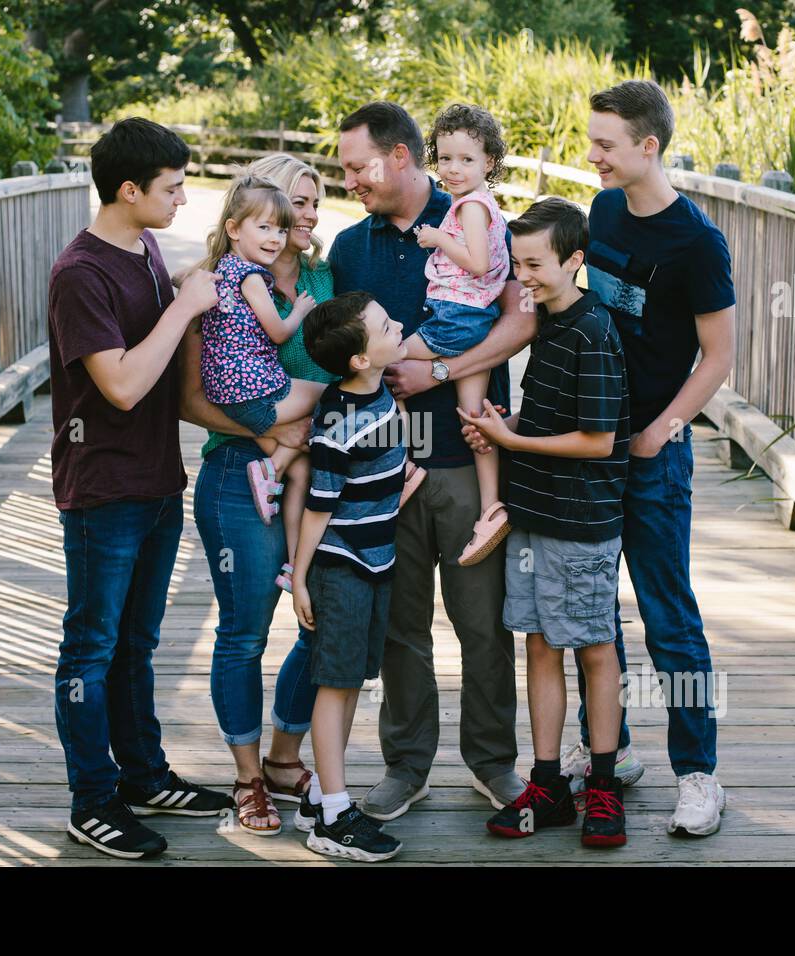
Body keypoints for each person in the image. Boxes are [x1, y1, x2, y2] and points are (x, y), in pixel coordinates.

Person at [397, 80, 737, 836]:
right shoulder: (605, 211)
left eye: (606, 145)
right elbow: (548, 308)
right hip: (580, 456)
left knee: (668, 615)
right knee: (592, 620)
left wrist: (663, 429)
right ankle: (604, 755)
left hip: (645, 453)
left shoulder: (697, 242)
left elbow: (718, 357)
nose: (593, 157)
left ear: (648, 147)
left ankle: (698, 771)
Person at [331, 101, 527, 821]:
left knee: (482, 623)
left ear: (402, 157)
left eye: (359, 165)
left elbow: (521, 319)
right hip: (384, 467)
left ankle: (493, 761)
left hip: (466, 450)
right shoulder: (350, 249)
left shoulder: (473, 210)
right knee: (400, 627)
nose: (349, 178)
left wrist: (441, 375)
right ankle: (405, 764)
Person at [49, 117, 233, 860]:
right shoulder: (79, 274)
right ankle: (91, 799)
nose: (184, 198)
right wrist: (185, 305)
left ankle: (144, 775)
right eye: (173, 187)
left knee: (136, 643)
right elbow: (121, 385)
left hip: (158, 480)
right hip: (104, 491)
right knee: (90, 648)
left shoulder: (145, 245)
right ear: (129, 191)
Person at [458, 198, 631, 847]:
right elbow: (553, 421)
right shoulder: (549, 322)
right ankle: (549, 783)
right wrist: (501, 433)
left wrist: (516, 441)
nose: (522, 276)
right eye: (517, 263)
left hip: (581, 517)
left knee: (594, 647)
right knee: (538, 643)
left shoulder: (594, 330)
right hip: (533, 511)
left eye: (534, 264)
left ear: (574, 261)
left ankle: (605, 786)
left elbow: (596, 440)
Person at [179, 155, 336, 835]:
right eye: (290, 204)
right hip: (237, 474)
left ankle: (283, 756)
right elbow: (188, 399)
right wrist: (278, 425)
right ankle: (247, 781)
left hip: (317, 478)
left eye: (311, 204)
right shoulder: (210, 286)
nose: (302, 217)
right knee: (244, 635)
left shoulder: (327, 282)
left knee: (321, 621)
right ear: (248, 216)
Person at [290, 291, 408, 862]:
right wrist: (303, 578)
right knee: (334, 685)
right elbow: (318, 506)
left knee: (350, 681)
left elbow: (376, 470)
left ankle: (321, 800)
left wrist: (397, 486)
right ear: (360, 359)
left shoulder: (378, 391)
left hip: (376, 561)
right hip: (342, 567)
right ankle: (333, 815)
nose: (399, 324)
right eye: (386, 325)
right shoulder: (338, 421)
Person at [194, 174, 327, 591]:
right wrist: (301, 311)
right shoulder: (252, 277)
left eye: (280, 228)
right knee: (332, 394)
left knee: (302, 471)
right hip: (255, 396)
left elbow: (182, 278)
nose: (276, 236)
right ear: (234, 228)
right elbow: (279, 332)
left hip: (236, 395)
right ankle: (272, 466)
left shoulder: (218, 271)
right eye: (266, 226)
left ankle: (292, 564)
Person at [405, 104, 512, 567]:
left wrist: (436, 239)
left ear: (488, 162)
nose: (453, 169)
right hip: (478, 318)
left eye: (466, 160)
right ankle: (492, 508)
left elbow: (477, 262)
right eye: (445, 158)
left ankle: (406, 466)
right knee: (474, 417)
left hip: (456, 317)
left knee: (383, 362)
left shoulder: (469, 206)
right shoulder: (484, 204)